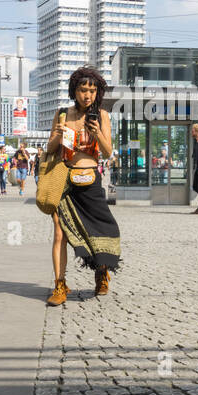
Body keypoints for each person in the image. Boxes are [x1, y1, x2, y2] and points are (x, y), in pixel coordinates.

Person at [44, 66, 121, 306]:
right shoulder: (63, 114)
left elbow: (108, 152)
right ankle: (60, 284)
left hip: (90, 181)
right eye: (82, 89)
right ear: (74, 90)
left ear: (97, 92)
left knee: (100, 230)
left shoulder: (102, 116)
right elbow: (50, 149)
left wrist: (97, 133)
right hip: (65, 180)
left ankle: (101, 272)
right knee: (59, 233)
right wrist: (57, 134)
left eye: (92, 90)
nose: (87, 95)